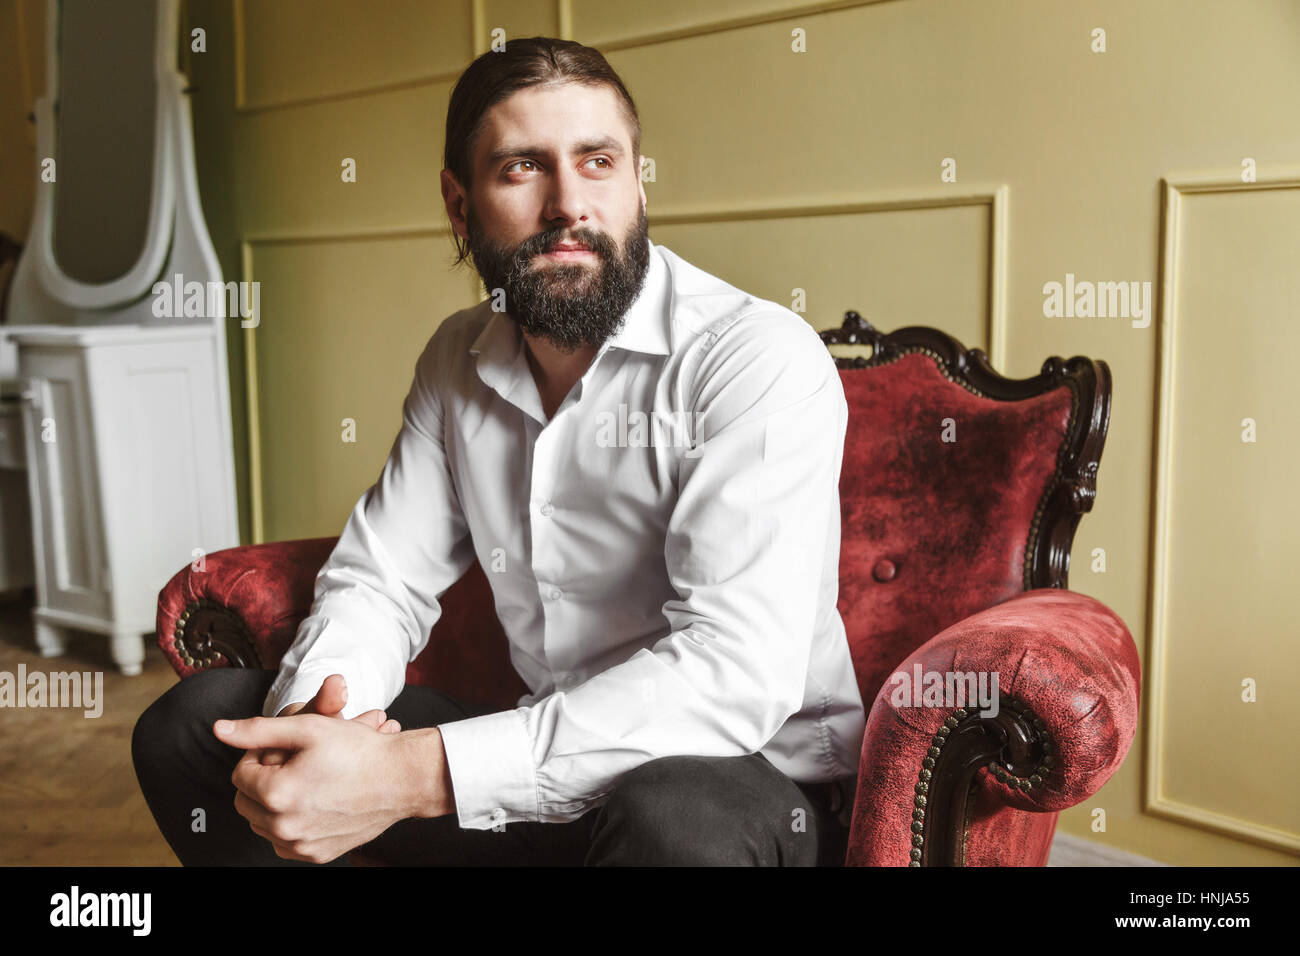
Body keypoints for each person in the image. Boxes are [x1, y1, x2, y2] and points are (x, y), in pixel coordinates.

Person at [132, 36, 866, 867]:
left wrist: (406, 775)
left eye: (598, 161)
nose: (568, 205)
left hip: (741, 782)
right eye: (522, 168)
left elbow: (731, 674)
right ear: (459, 203)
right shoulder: (458, 358)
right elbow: (383, 579)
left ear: (636, 181)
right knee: (198, 728)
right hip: (536, 781)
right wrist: (321, 726)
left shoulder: (752, 356)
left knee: (672, 817)